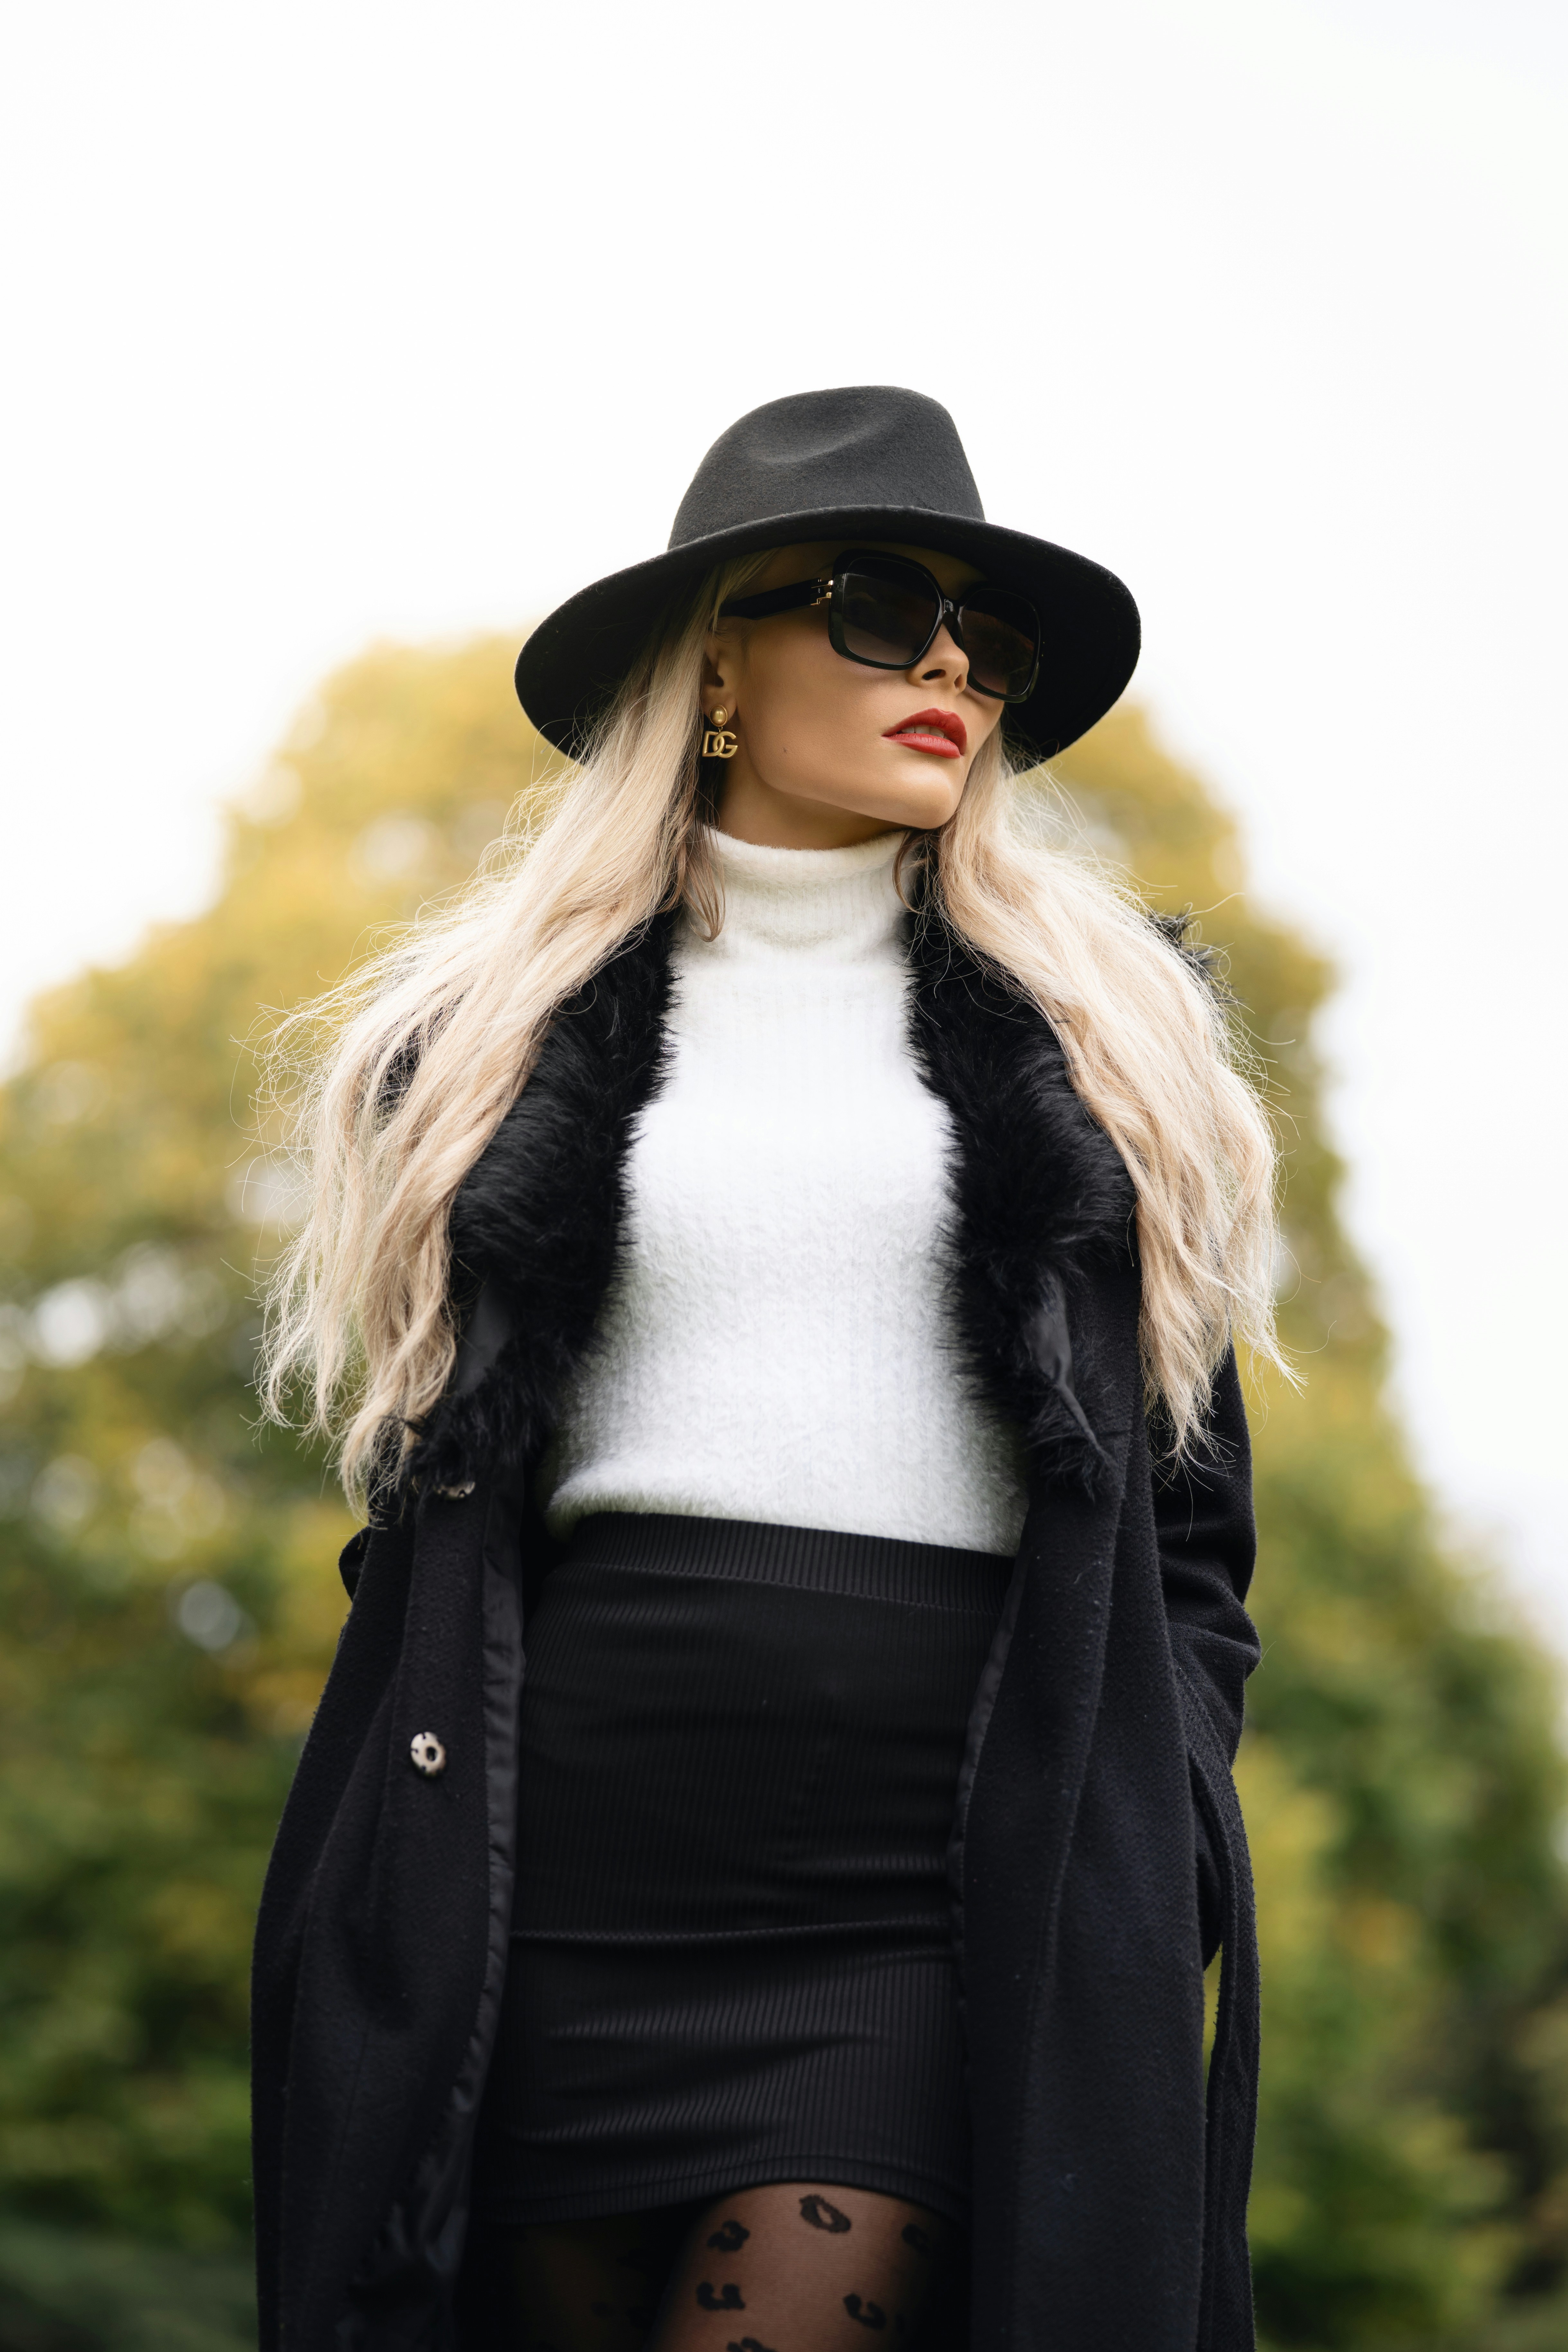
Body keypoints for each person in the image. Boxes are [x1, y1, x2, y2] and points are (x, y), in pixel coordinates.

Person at [251, 386, 1280, 2352]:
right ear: (718, 653)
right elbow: (419, 1514)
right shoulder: (478, 1047)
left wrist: (1155, 1812)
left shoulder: (1118, 1047)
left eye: (992, 637)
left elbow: (1195, 1538)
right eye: (888, 606)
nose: (956, 664)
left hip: (925, 1907)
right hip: (544, 1893)